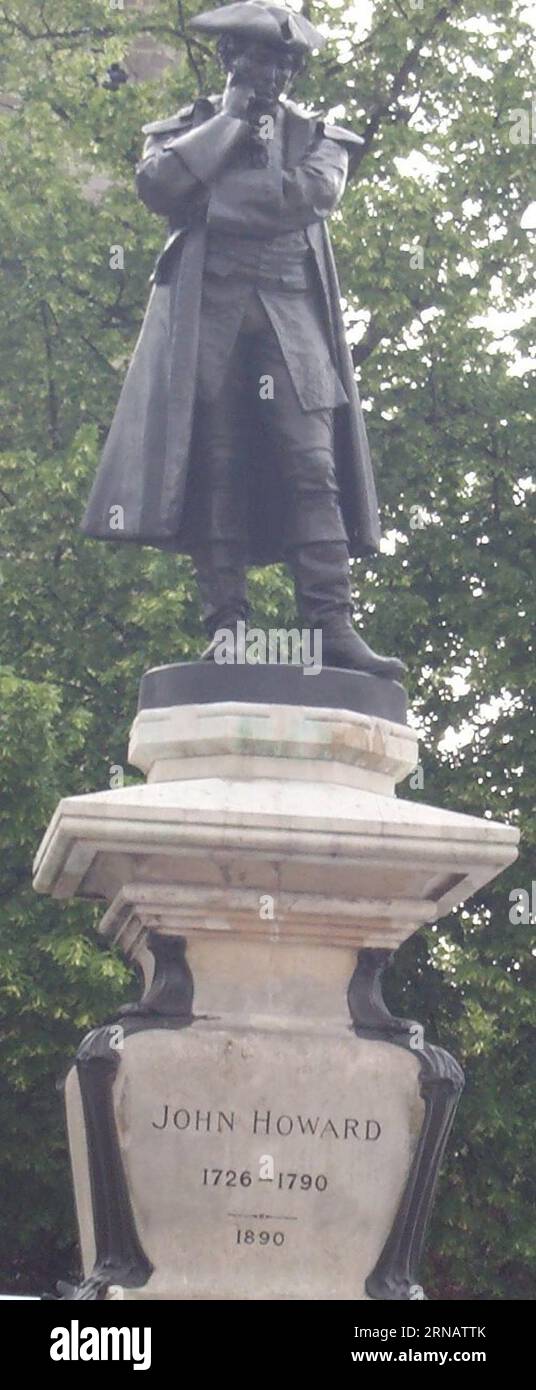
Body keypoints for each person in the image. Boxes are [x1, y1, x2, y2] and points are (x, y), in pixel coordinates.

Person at [81, 1, 404, 680]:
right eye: (261, 60)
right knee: (216, 466)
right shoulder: (181, 131)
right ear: (231, 61)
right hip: (210, 314)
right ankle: (226, 626)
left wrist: (210, 199)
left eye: (285, 62)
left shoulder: (322, 137)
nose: (274, 74)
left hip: (292, 319)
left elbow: (304, 198)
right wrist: (227, 126)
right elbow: (160, 185)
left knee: (313, 467)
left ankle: (331, 623)